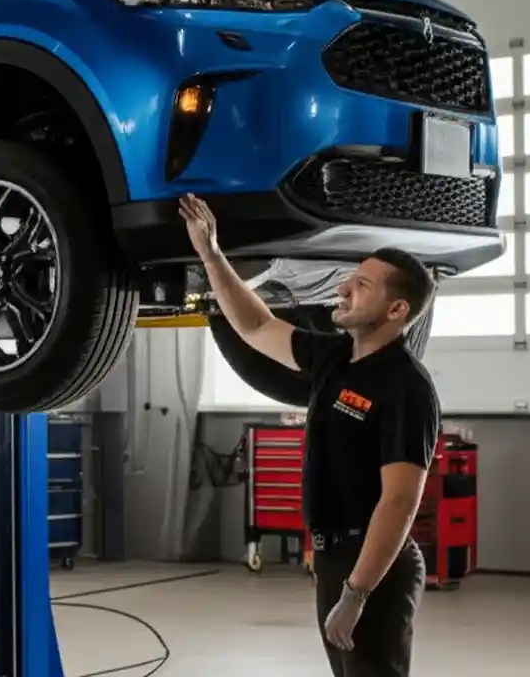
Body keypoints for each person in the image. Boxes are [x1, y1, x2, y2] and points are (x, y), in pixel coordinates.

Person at [179, 194, 439, 677]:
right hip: (336, 558)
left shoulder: (407, 386)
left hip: (374, 568)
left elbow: (399, 502)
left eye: (362, 285)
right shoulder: (335, 358)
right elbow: (257, 325)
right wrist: (211, 254)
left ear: (396, 310)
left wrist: (357, 592)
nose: (343, 289)